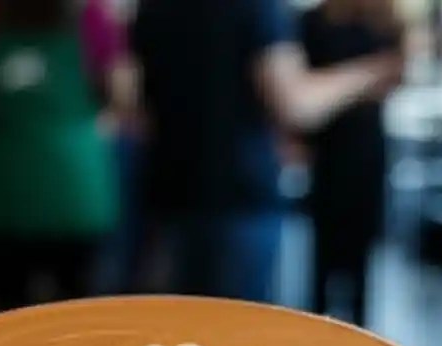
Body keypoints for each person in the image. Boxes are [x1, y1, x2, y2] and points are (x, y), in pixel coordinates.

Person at [132, 0, 398, 303]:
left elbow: (139, 109)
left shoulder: (152, 5)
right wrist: (372, 71)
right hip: (240, 197)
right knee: (238, 337)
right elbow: (296, 105)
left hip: (166, 195)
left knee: (179, 334)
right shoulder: (259, 6)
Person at [0, 0, 130, 314]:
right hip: (74, 190)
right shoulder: (93, 13)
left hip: (2, 188)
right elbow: (122, 92)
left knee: (9, 315)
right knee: (78, 312)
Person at [301, 0, 401, 327]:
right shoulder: (313, 20)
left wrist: (337, 88)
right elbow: (306, 96)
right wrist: (367, 75)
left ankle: (359, 334)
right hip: (327, 151)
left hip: (366, 150)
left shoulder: (384, 20)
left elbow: (395, 77)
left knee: (362, 256)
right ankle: (318, 332)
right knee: (321, 257)